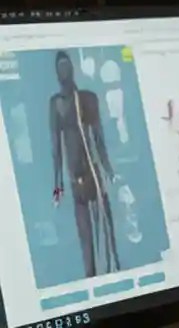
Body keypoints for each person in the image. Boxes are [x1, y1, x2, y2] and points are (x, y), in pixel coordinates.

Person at [50, 50, 122, 279]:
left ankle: (114, 274)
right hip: (75, 177)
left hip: (94, 171)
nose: (65, 71)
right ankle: (92, 279)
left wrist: (109, 170)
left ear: (72, 68)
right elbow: (55, 147)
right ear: (56, 73)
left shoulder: (88, 98)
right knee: (85, 236)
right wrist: (57, 184)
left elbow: (99, 138)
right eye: (60, 67)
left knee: (106, 228)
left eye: (67, 66)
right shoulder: (56, 105)